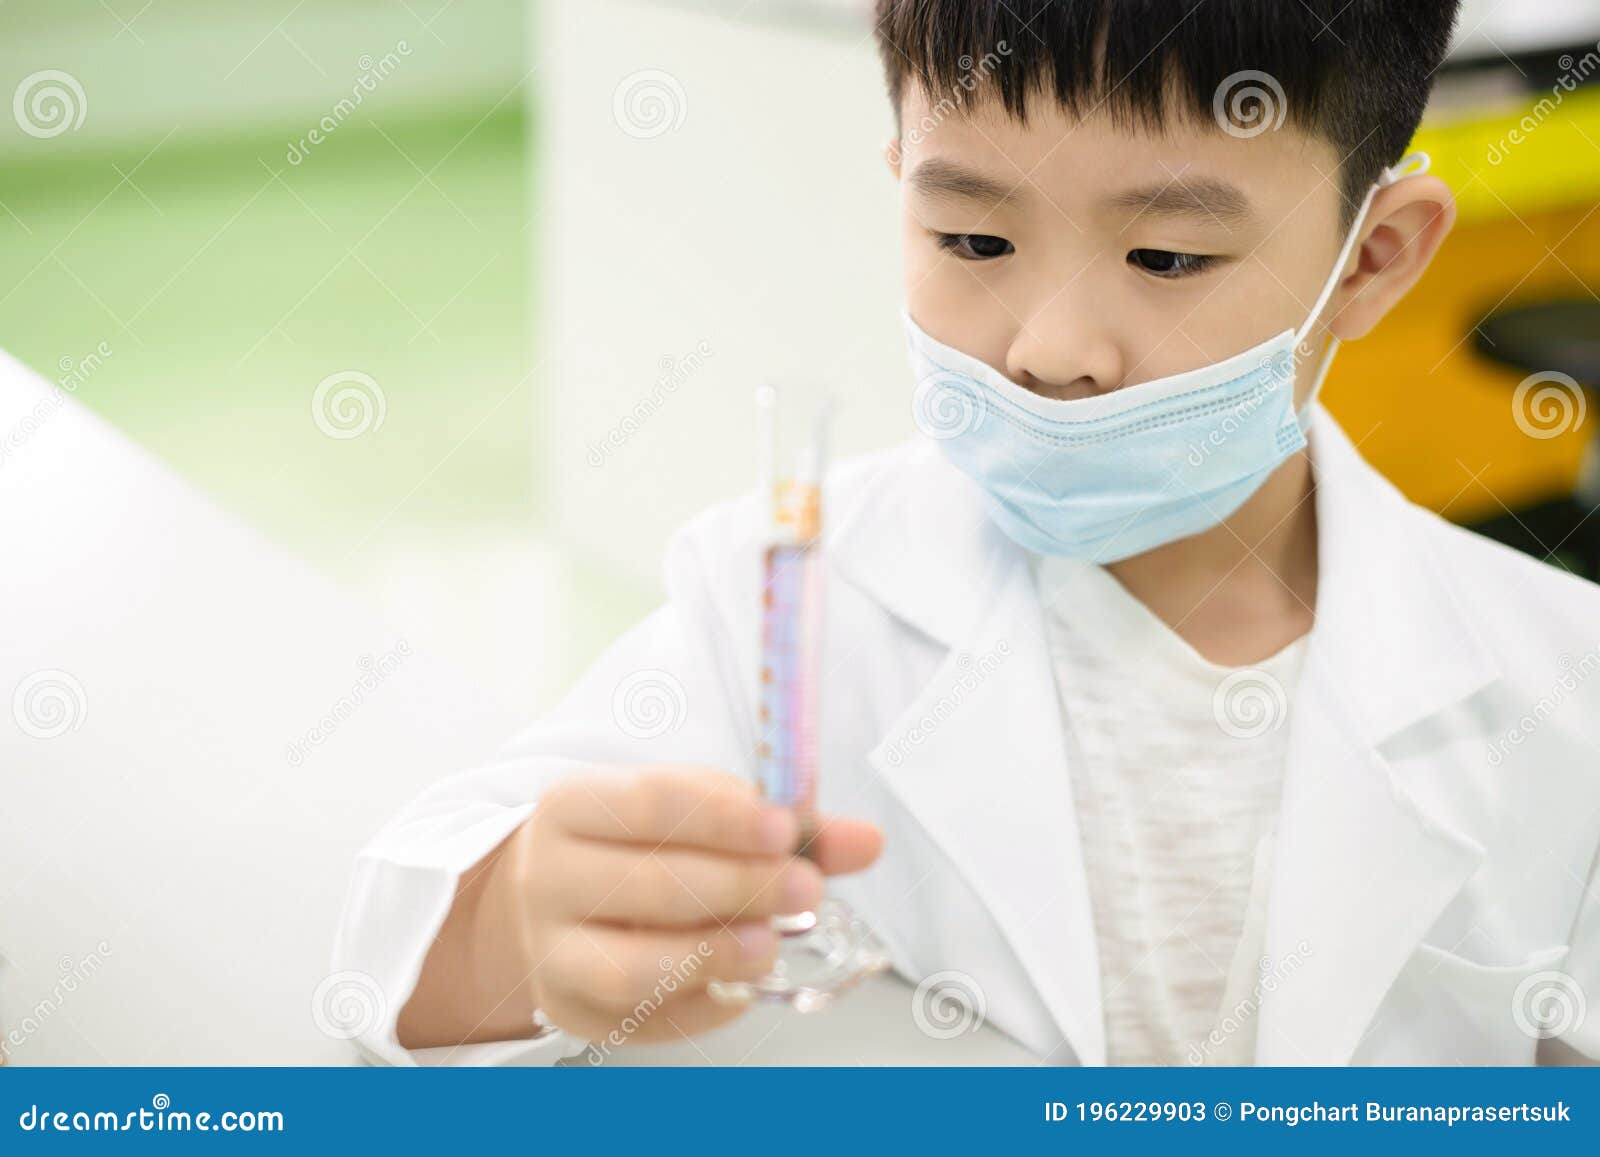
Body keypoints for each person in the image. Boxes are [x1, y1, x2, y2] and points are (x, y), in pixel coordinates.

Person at [334, 0, 1600, 1066]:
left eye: (1166, 257)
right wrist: (518, 925)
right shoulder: (775, 605)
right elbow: (393, 967)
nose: (1051, 346)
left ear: (1372, 259)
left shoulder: (1563, 679)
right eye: (972, 239)